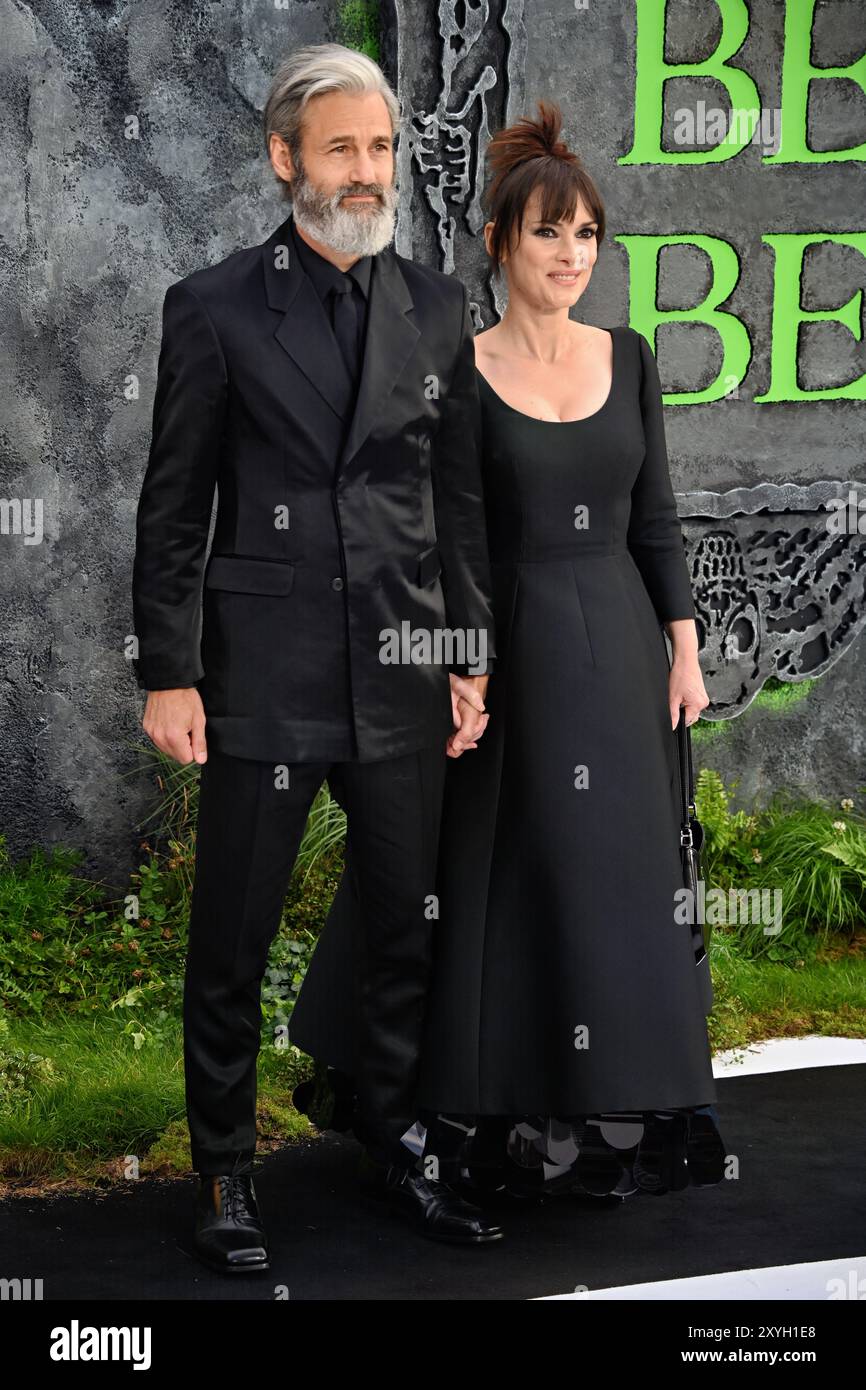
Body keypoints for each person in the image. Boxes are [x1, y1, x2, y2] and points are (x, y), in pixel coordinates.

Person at [289, 99, 727, 1217]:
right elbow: (456, 535)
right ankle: (479, 1106)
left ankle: (607, 1104)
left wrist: (682, 653)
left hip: (623, 653)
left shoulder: (627, 358)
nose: (569, 256)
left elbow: (657, 521)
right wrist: (463, 666)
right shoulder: (462, 369)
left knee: (608, 878)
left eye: (585, 236)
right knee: (501, 877)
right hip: (510, 654)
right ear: (498, 244)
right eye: (546, 234)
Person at [131, 43, 505, 1275]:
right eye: (341, 146)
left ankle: (393, 1137)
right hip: (264, 674)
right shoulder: (218, 305)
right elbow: (174, 506)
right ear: (285, 157)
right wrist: (169, 671)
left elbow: (454, 506)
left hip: (405, 662)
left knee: (406, 925)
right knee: (232, 933)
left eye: (382, 147)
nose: (365, 171)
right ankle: (225, 1171)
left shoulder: (439, 305)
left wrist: (465, 655)